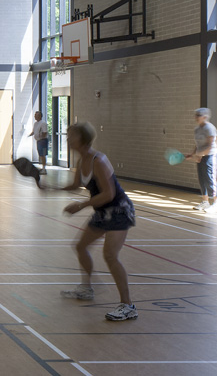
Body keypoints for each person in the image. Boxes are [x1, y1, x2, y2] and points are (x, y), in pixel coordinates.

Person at [60, 121, 137, 322]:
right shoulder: (81, 161)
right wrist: (50, 187)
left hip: (119, 210)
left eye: (71, 136)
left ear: (82, 139)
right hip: (103, 211)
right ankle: (87, 288)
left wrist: (81, 205)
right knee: (80, 246)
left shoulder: (98, 160)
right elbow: (76, 185)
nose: (68, 139)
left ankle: (128, 306)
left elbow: (109, 193)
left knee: (110, 255)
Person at [185, 108, 217, 216]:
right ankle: (205, 202)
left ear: (205, 117)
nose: (196, 117)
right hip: (201, 156)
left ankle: (216, 204)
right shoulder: (197, 129)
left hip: (211, 156)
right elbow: (197, 144)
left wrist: (202, 154)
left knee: (210, 178)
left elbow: (212, 145)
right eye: (196, 115)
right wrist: (192, 153)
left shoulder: (210, 128)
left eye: (198, 115)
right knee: (202, 179)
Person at [32, 110, 50, 175]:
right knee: (40, 154)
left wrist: (41, 138)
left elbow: (45, 132)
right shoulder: (35, 123)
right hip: (38, 141)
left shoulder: (43, 123)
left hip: (43, 141)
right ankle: (42, 168)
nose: (34, 116)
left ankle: (44, 169)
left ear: (39, 116)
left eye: (36, 115)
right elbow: (34, 131)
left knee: (43, 155)